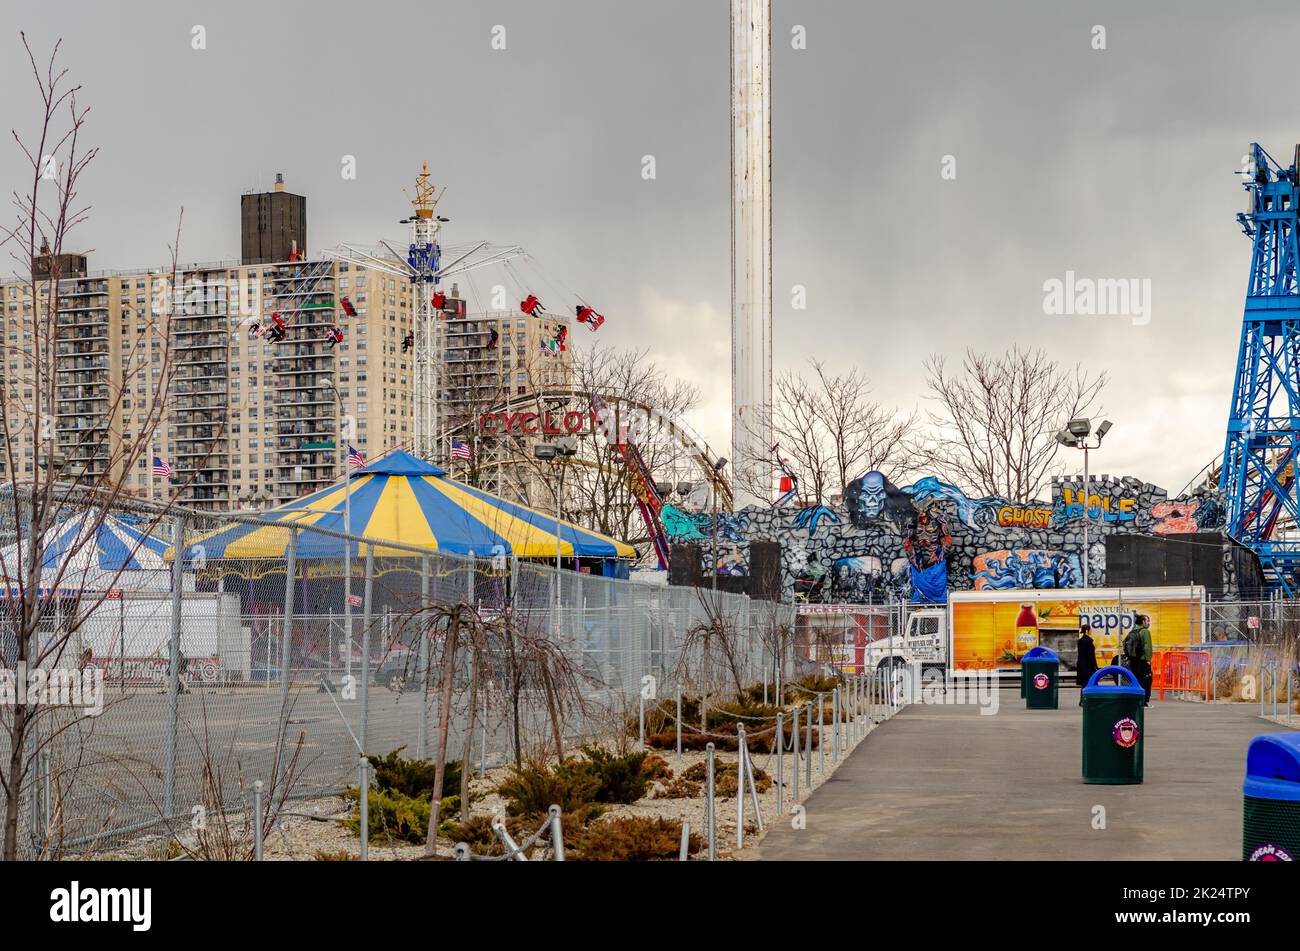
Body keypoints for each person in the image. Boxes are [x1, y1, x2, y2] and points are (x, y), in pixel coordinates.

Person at [1123, 612, 1154, 705]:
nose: (1148, 623)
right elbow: (1147, 647)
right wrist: (1148, 660)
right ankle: (1144, 701)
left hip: (1133, 660)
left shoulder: (1132, 631)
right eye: (1148, 621)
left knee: (1136, 680)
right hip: (1143, 661)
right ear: (1143, 622)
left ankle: (1136, 701)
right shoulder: (1145, 632)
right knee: (1146, 681)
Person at [1075, 621, 1098, 706]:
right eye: (1090, 630)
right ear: (1087, 631)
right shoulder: (1088, 641)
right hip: (1088, 666)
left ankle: (1083, 700)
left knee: (1085, 684)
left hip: (1082, 665)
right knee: (1091, 682)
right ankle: (1088, 700)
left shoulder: (1080, 641)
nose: (1091, 631)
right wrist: (1095, 666)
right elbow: (1091, 656)